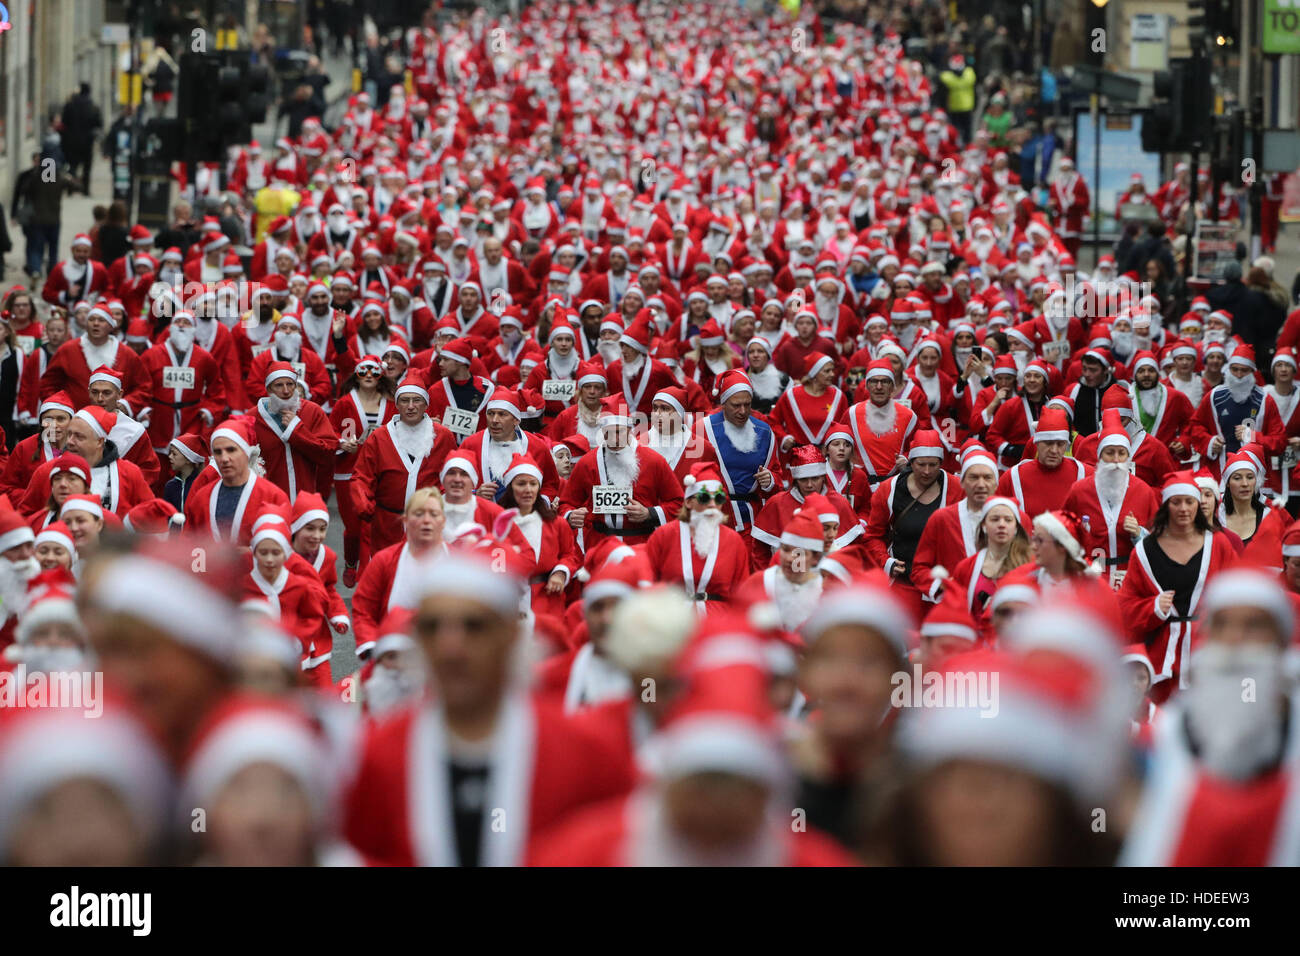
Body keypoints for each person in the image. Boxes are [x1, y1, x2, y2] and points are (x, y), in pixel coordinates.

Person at [344, 553, 636, 866]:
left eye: (474, 626)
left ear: (510, 635)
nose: (451, 647)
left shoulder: (585, 754)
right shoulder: (376, 759)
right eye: (431, 627)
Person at [1121, 569, 1300, 864]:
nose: (1235, 639)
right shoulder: (1164, 735)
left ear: (1280, 641)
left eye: (1254, 625)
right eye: (1222, 624)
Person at [1118, 472, 1238, 694]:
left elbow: (1238, 595)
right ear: (1166, 506)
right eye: (1176, 502)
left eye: (1189, 501)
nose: (1183, 508)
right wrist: (1152, 608)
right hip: (1160, 659)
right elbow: (1125, 607)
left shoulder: (1218, 544)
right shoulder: (1145, 551)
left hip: (1206, 655)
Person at [865, 430, 963, 618]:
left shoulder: (956, 488)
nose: (927, 471)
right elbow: (873, 536)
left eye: (933, 465)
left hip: (941, 586)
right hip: (902, 585)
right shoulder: (890, 490)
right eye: (921, 465)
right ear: (911, 462)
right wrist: (886, 562)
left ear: (941, 463)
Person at [644, 464, 751, 613]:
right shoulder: (664, 535)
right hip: (673, 620)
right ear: (688, 502)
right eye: (704, 497)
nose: (712, 504)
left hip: (717, 624)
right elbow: (647, 584)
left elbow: (741, 593)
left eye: (719, 498)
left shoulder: (734, 540)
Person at [183, 420, 290, 544]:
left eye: (231, 450)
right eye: (218, 452)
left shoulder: (273, 496)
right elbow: (190, 547)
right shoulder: (202, 499)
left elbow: (283, 550)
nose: (224, 459)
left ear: (246, 453)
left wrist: (245, 556)